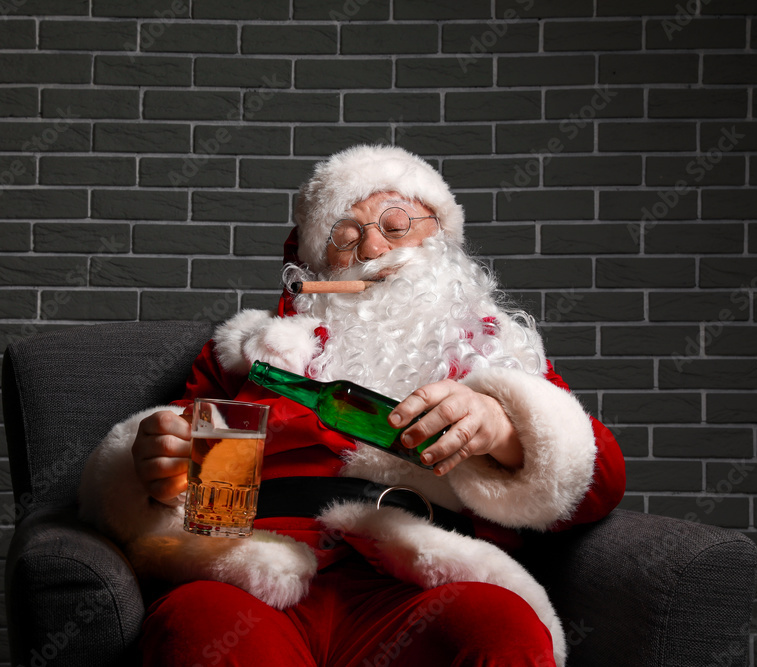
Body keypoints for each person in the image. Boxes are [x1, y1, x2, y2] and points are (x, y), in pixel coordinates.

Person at [79, 145, 626, 667]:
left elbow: (595, 486)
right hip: (255, 569)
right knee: (200, 627)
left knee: (501, 631)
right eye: (346, 236)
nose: (372, 251)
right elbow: (175, 446)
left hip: (422, 576)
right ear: (314, 263)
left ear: (443, 242)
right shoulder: (247, 354)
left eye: (396, 226)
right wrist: (153, 459)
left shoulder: (498, 354)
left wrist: (501, 428)